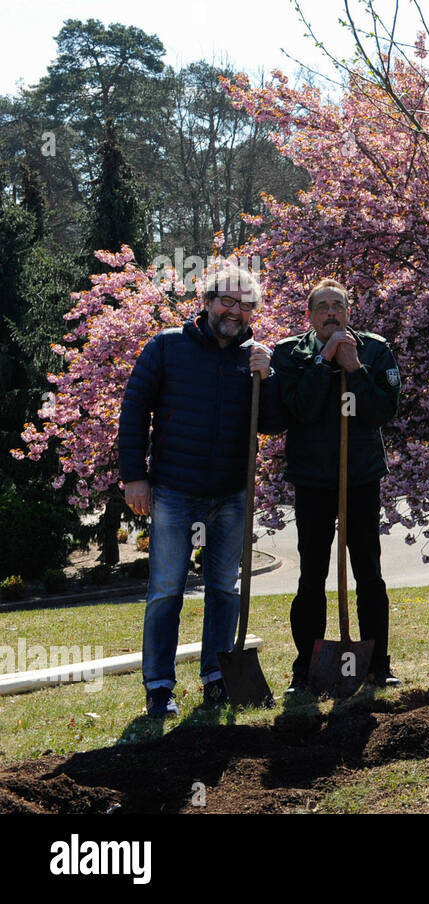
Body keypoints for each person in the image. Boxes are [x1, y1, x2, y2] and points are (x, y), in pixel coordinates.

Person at [119, 265, 280, 717]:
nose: (236, 311)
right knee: (167, 589)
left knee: (224, 591)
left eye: (246, 305)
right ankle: (159, 687)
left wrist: (268, 379)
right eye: (228, 301)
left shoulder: (255, 358)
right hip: (174, 490)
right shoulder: (167, 347)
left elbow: (271, 424)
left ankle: (217, 678)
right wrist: (135, 475)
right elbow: (134, 411)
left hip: (230, 493)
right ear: (206, 301)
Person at [273, 278, 402, 692]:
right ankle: (305, 668)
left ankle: (377, 662)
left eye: (339, 306)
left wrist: (354, 369)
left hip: (360, 477)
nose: (332, 313)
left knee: (369, 572)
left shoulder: (375, 349)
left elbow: (383, 411)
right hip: (312, 480)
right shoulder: (290, 354)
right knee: (311, 575)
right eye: (323, 307)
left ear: (349, 312)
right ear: (309, 316)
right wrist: (324, 363)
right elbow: (299, 410)